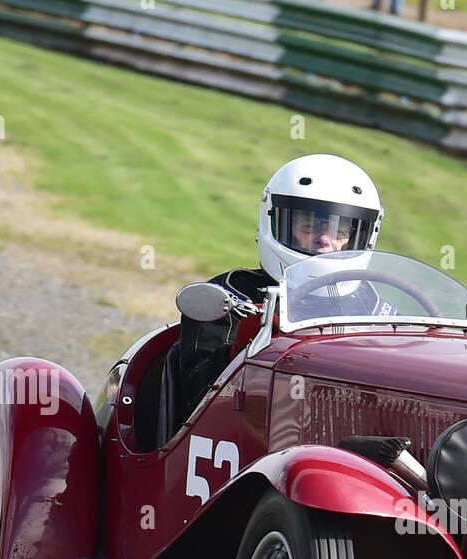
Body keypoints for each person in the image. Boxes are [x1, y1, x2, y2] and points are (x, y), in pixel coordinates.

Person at [164, 154, 385, 431]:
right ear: (277, 222)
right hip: (247, 437)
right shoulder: (231, 295)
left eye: (340, 229)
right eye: (310, 225)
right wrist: (242, 347)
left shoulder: (373, 304)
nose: (325, 239)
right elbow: (196, 396)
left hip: (344, 435)